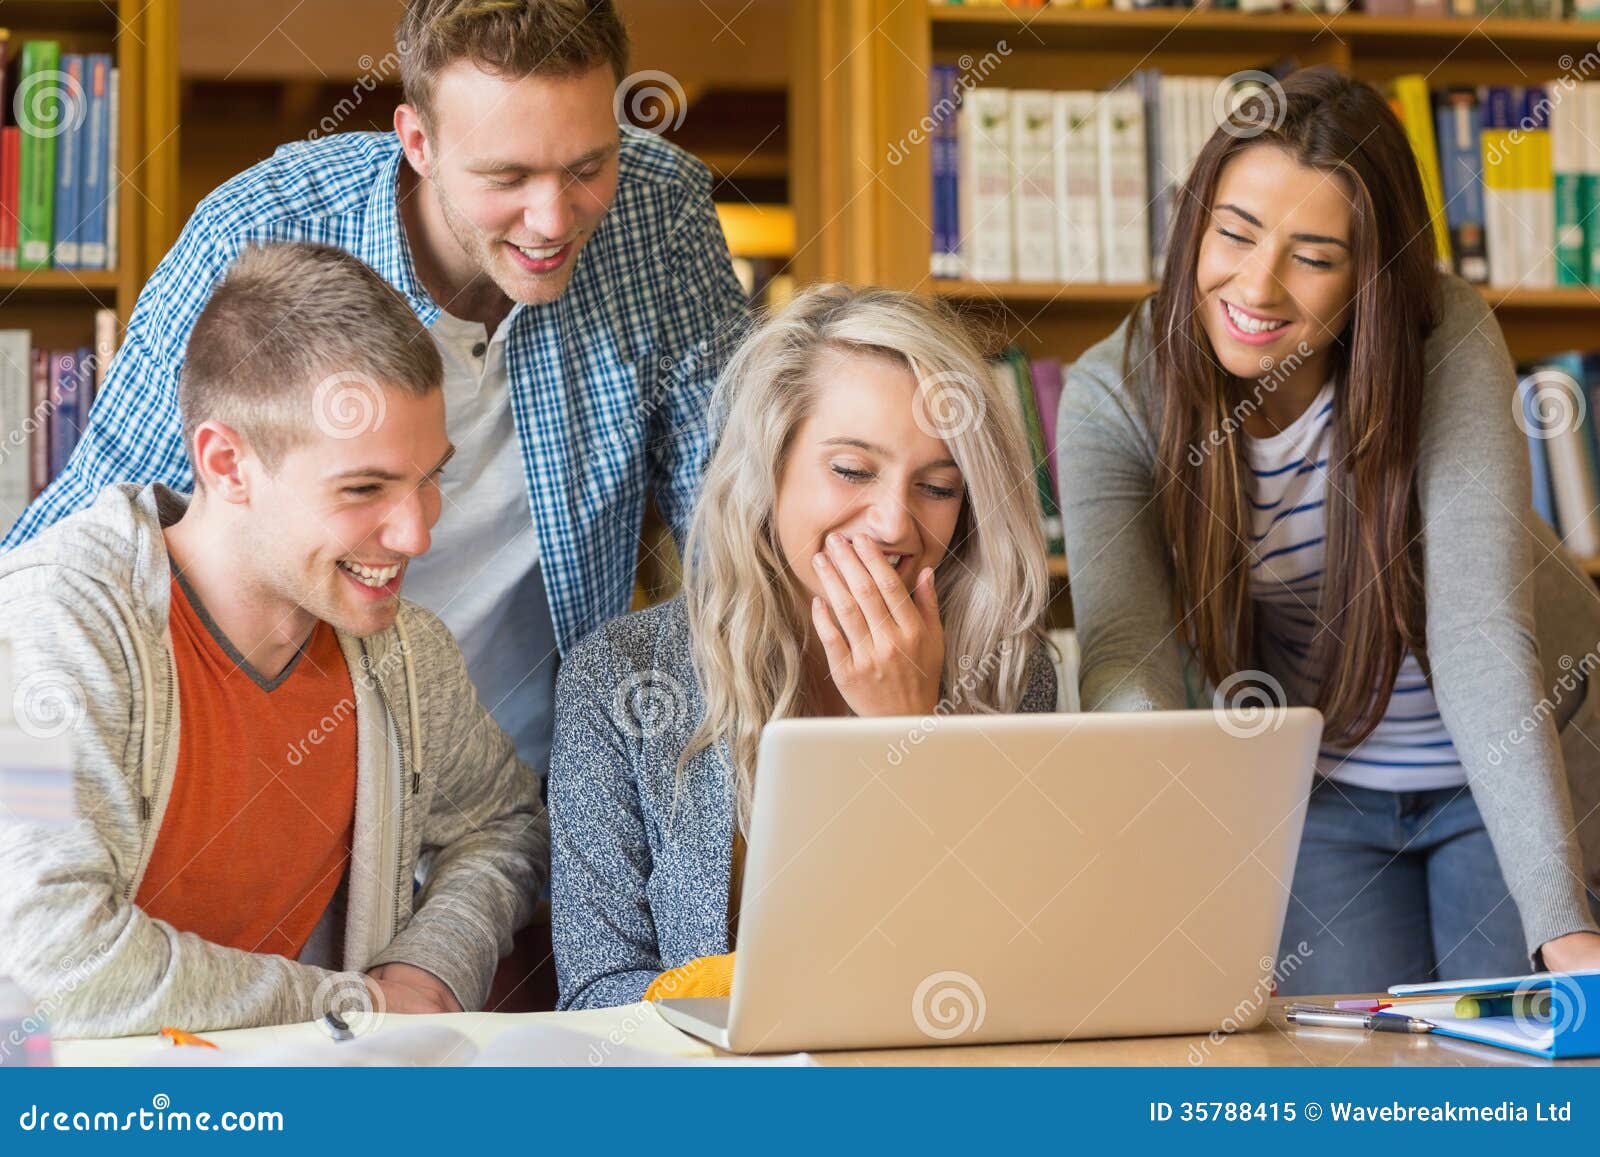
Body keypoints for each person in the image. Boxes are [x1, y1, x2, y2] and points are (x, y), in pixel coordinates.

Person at [2, 0, 749, 778]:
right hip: (280, 781)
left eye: (589, 166)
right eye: (507, 176)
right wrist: (31, 802)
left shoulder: (659, 214)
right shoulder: (257, 231)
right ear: (418, 142)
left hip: (533, 796)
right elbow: (85, 543)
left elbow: (733, 513)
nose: (553, 217)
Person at [1059, 66, 1600, 992]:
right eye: (1233, 233)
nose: (1257, 285)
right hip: (1324, 785)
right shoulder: (1113, 394)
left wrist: (1564, 929)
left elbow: (1477, 633)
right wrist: (1153, 876)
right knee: (1356, 1075)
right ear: (1194, 225)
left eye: (1313, 256)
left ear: (1370, 273)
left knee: (1511, 1073)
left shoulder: (1442, 338)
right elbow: (1128, 656)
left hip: (1512, 766)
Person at [0, 243, 546, 1036]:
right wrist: (355, 1005)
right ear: (227, 464)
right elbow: (52, 962)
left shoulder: (405, 654)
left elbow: (506, 824)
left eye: (430, 476)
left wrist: (430, 963)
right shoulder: (50, 626)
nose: (417, 532)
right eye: (364, 487)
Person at [549, 285, 1059, 1011]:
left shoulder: (1011, 668)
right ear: (769, 464)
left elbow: (1017, 966)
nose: (892, 523)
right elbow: (599, 996)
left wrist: (907, 733)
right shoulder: (619, 678)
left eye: (938, 486)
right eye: (852, 470)